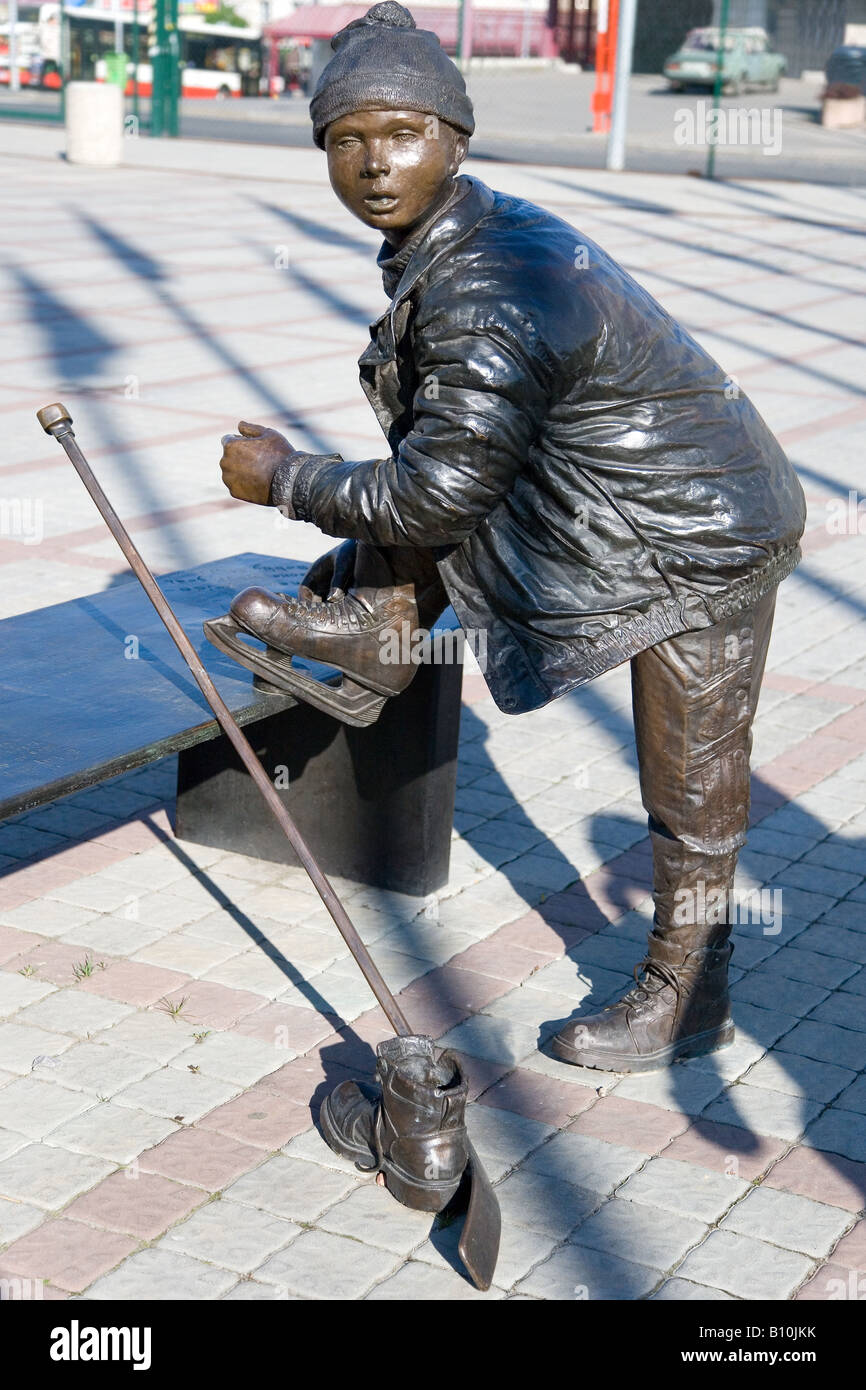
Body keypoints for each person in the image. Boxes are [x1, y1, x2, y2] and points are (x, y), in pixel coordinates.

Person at [218, 1, 807, 1074]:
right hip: (622, 491)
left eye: (400, 134)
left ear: (455, 138)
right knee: (441, 472)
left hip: (700, 535)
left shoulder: (484, 282)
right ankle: (382, 624)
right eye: (345, 142)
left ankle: (688, 993)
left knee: (689, 785)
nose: (374, 166)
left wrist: (282, 481)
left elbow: (436, 498)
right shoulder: (464, 233)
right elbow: (456, 455)